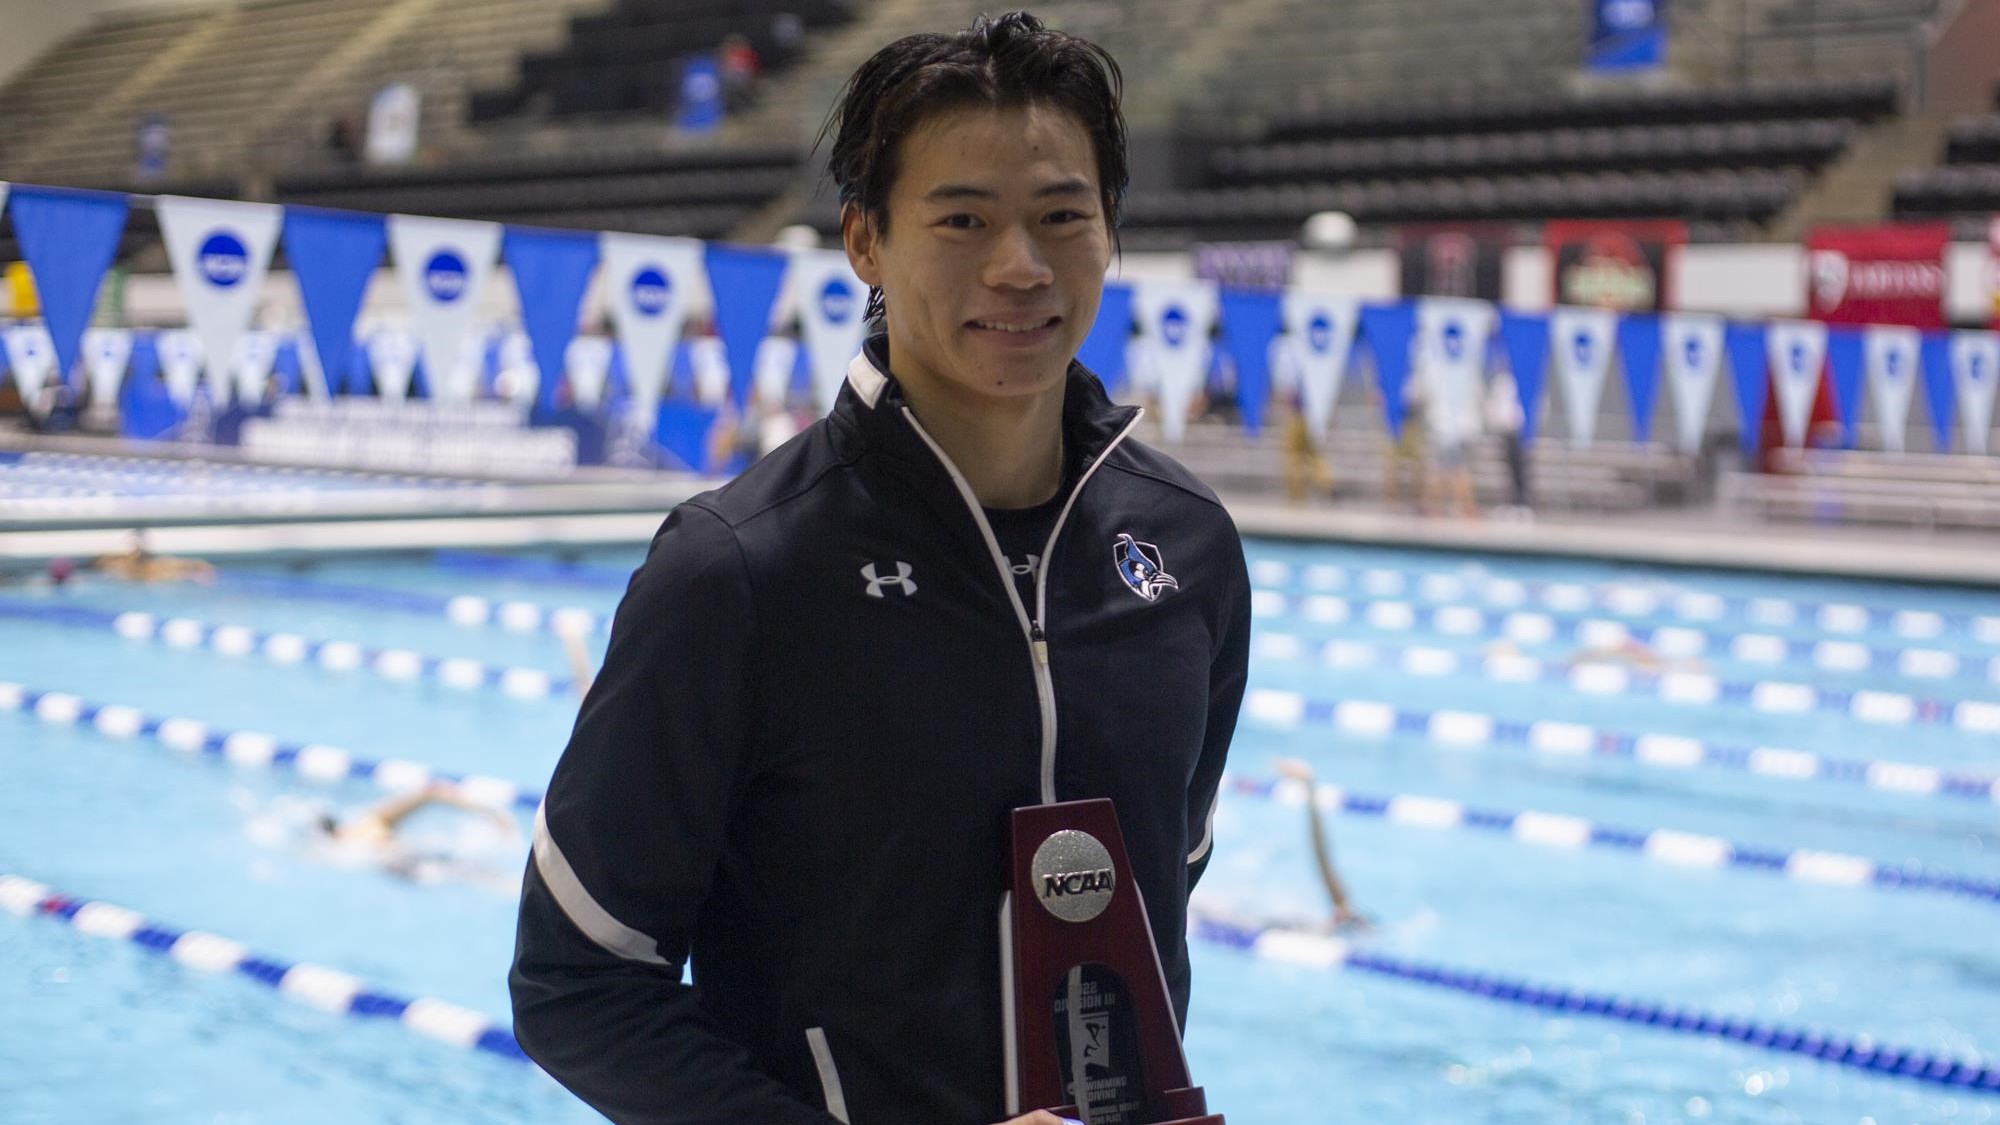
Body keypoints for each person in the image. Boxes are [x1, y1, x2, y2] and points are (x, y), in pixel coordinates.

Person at [510, 13, 1252, 1125]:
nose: (1019, 266)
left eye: (1062, 215)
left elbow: (1161, 879)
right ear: (864, 241)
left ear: (1109, 230)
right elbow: (578, 982)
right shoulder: (740, 570)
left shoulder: (1186, 545)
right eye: (963, 220)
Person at [312, 782, 519, 884]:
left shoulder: (343, 845)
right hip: (411, 859)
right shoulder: (373, 819)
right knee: (478, 874)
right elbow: (430, 791)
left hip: (404, 863)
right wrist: (489, 813)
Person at [1272, 758, 1369, 933]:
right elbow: (1323, 859)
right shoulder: (1342, 914)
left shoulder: (1339, 920)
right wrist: (1309, 787)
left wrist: (1309, 785)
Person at [91, 529, 215, 584]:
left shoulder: (160, 565)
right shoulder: (121, 563)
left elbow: (202, 565)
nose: (136, 549)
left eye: (138, 546)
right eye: (134, 546)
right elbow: (98, 563)